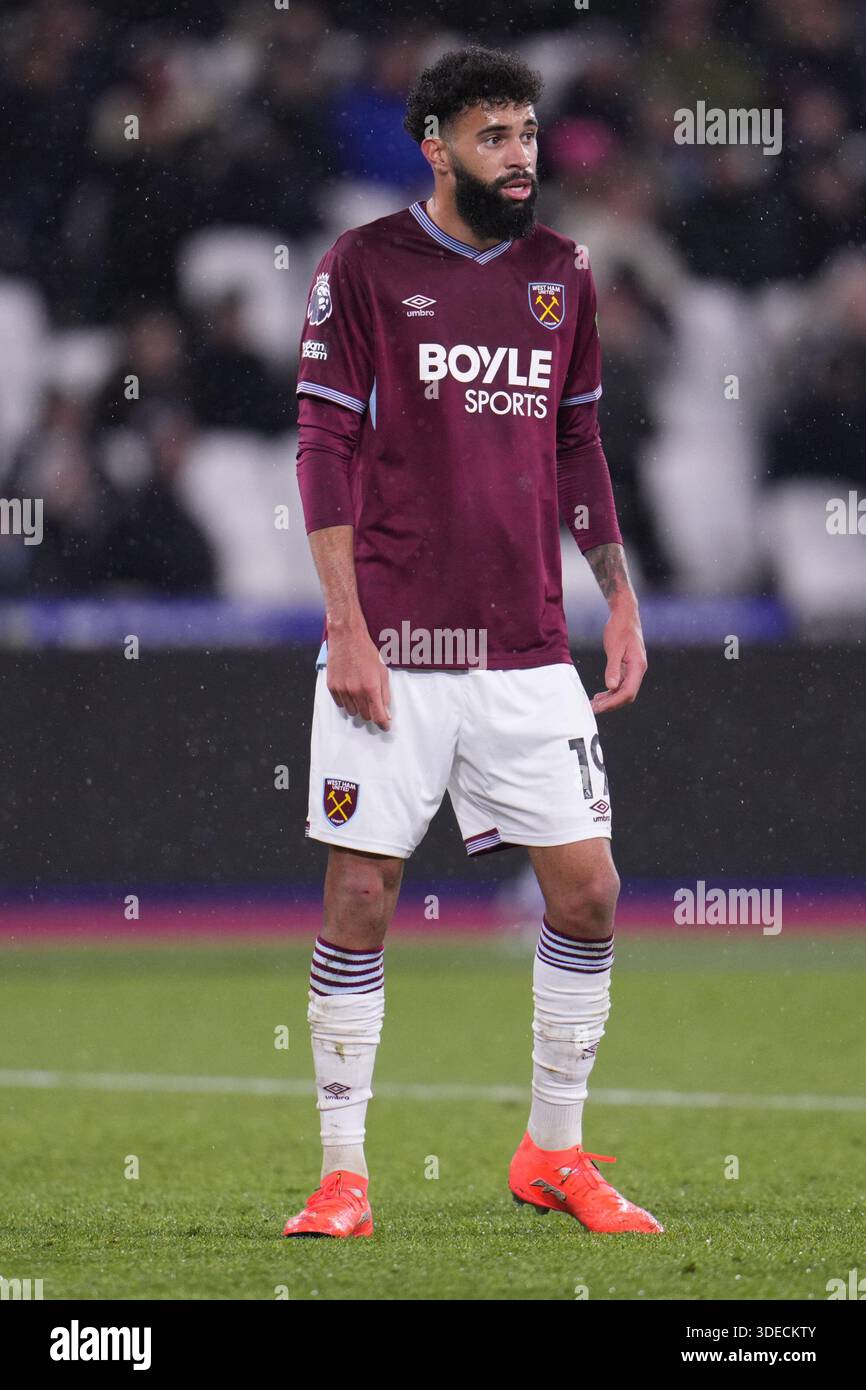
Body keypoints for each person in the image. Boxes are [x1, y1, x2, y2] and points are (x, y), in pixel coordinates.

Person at [285, 46, 662, 1239]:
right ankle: (342, 1174)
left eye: (527, 134)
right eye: (492, 136)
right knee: (359, 892)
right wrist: (344, 626)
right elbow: (321, 448)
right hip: (393, 640)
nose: (519, 156)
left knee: (590, 890)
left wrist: (619, 594)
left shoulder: (563, 273)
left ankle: (551, 1151)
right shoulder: (363, 266)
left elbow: (577, 446)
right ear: (434, 144)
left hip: (523, 645)